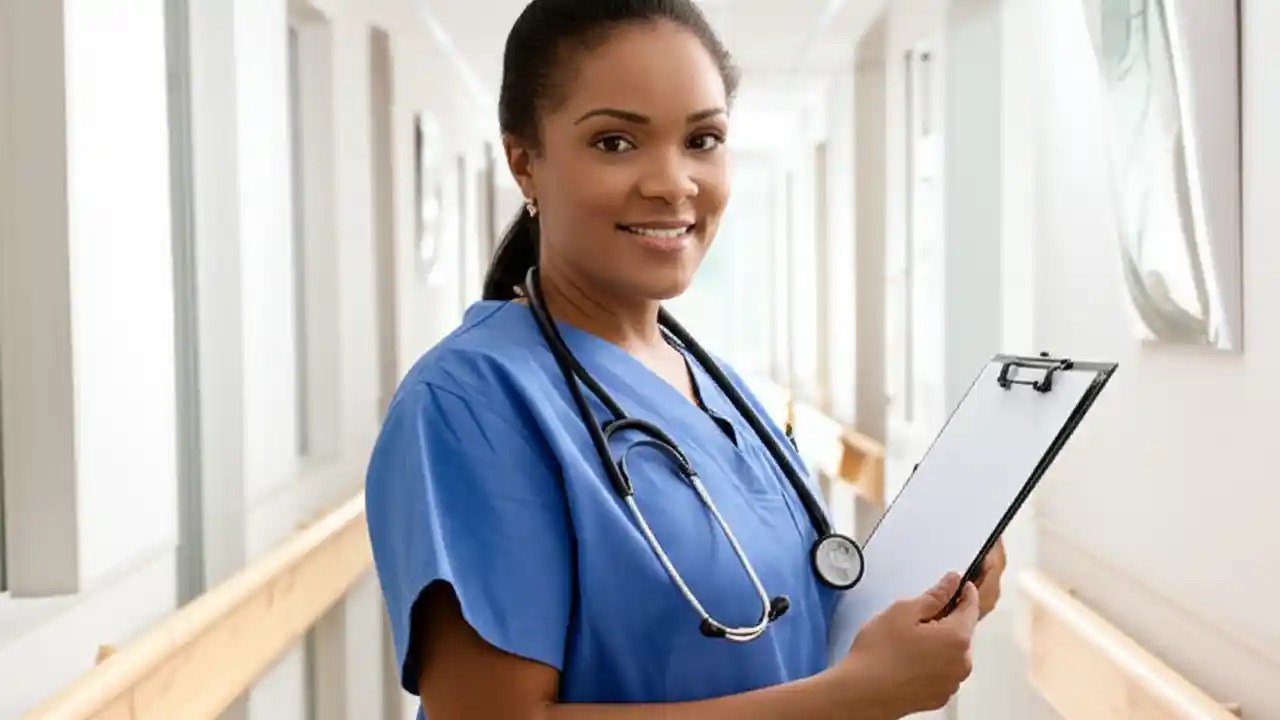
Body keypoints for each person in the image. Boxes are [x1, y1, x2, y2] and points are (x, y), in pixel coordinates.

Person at [364, 1, 1007, 718]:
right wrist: (852, 700)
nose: (673, 183)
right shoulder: (470, 403)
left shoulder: (724, 390)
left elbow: (779, 638)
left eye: (703, 139)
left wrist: (922, 607)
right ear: (524, 162)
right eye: (614, 142)